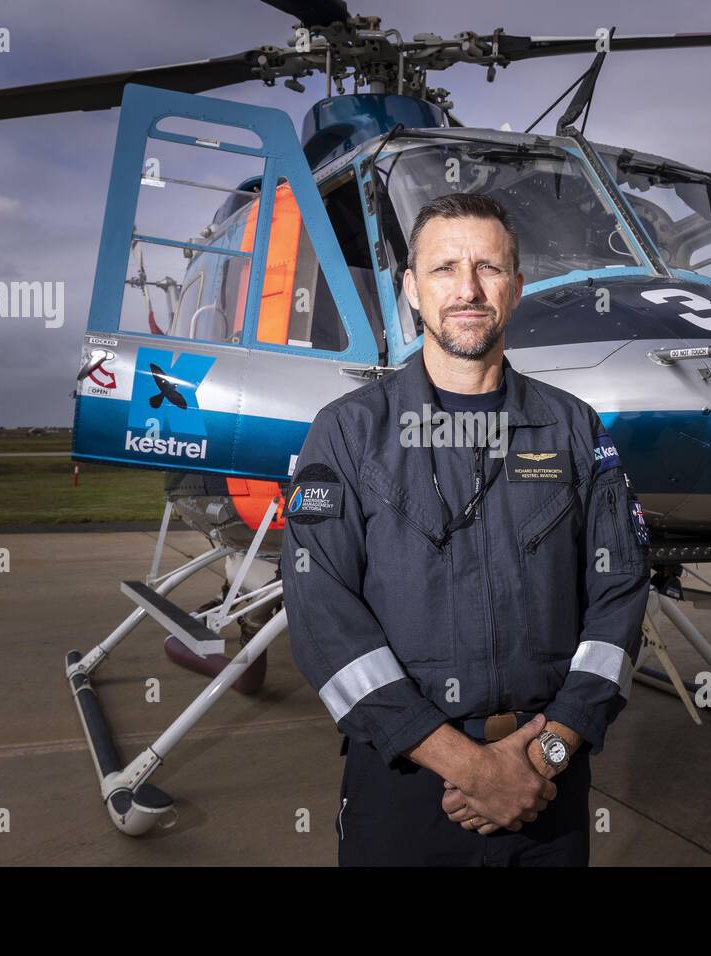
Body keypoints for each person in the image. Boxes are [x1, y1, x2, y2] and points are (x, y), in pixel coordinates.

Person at [279, 192, 650, 866]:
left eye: (489, 267)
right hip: (406, 781)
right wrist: (473, 769)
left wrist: (547, 751)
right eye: (445, 268)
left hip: (547, 784)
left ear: (517, 287)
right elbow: (321, 620)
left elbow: (620, 600)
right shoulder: (348, 432)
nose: (468, 289)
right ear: (412, 291)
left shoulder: (574, 430)